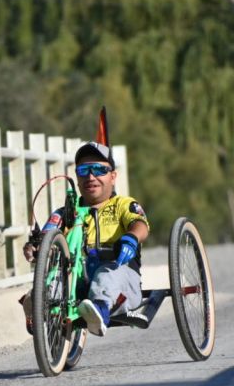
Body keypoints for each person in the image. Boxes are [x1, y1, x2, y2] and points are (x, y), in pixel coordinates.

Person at [21, 140, 150, 336]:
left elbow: (140, 225)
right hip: (77, 280)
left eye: (99, 170)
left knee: (106, 274)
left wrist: (131, 238)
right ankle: (41, 308)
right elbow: (46, 237)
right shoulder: (65, 213)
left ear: (113, 176)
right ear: (77, 177)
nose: (91, 176)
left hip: (119, 272)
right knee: (52, 279)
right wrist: (34, 247)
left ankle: (100, 309)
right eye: (84, 171)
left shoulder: (123, 204)